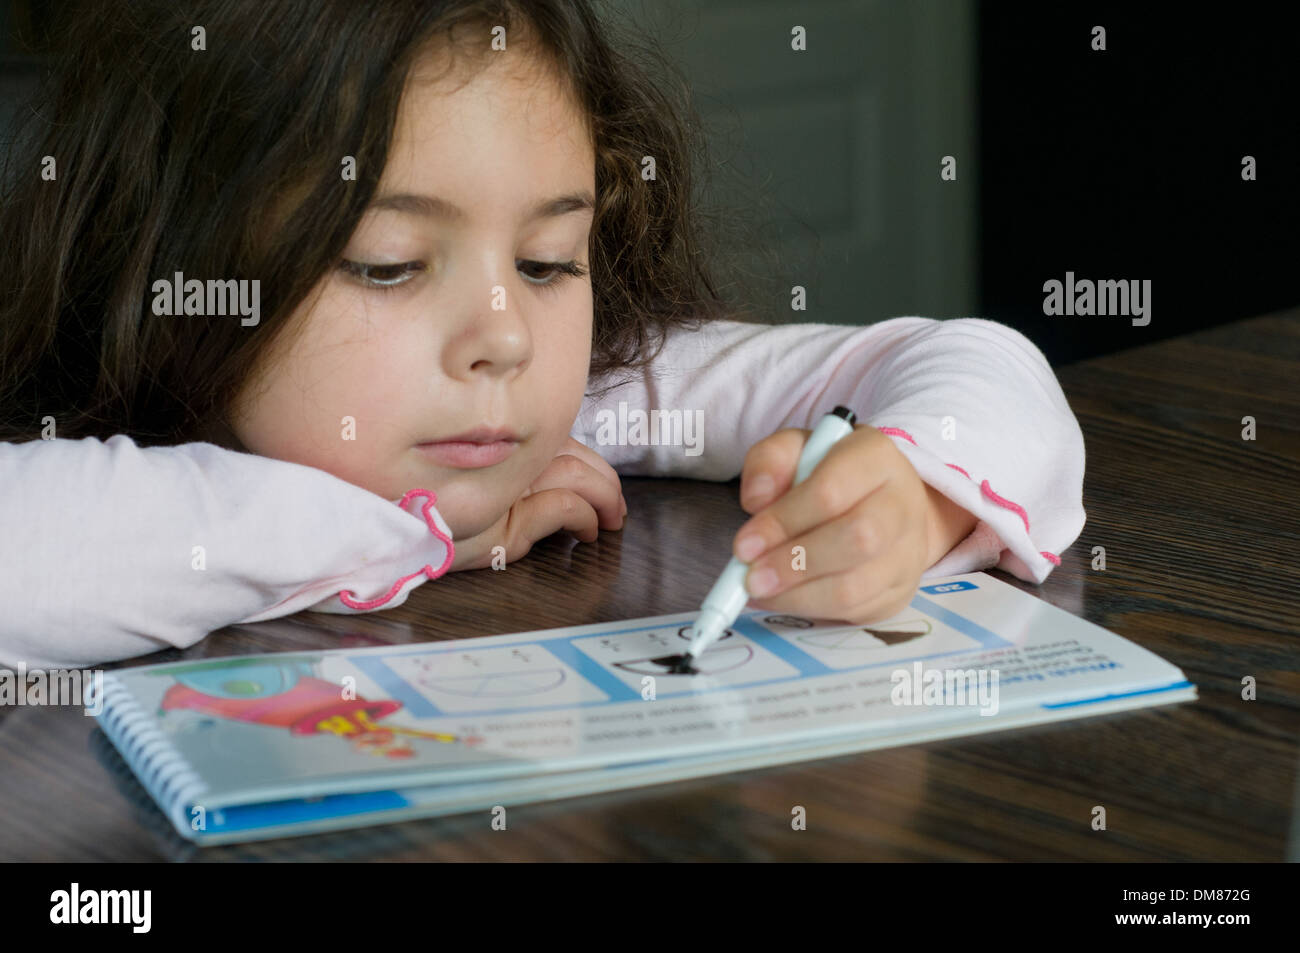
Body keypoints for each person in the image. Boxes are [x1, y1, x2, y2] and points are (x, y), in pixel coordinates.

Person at [0, 0, 1084, 670]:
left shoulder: (572, 392)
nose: (504, 338)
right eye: (387, 263)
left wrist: (906, 483)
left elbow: (973, 361)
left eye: (549, 261)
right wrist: (398, 535)